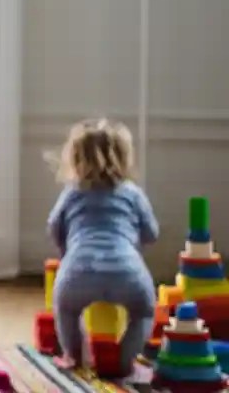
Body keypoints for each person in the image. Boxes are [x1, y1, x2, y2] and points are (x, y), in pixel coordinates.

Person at [45, 118, 159, 375]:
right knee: (143, 311)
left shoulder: (72, 192)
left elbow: (53, 226)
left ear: (74, 159)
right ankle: (124, 363)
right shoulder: (132, 192)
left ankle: (74, 356)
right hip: (127, 272)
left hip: (78, 272)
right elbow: (152, 233)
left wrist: (65, 249)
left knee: (65, 308)